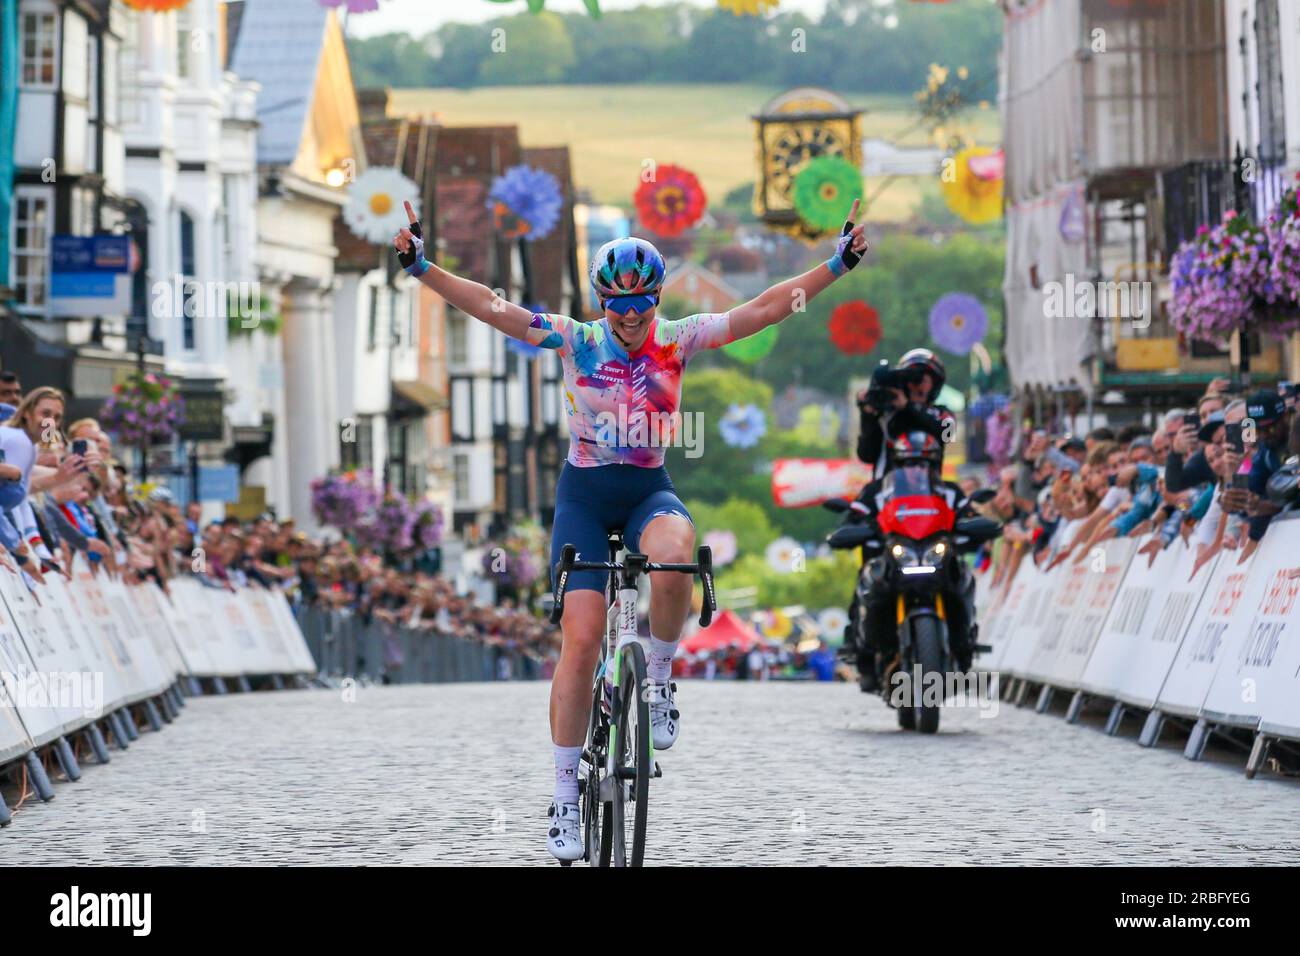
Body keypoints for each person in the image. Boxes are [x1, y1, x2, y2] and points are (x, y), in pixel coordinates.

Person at [394, 198, 870, 861]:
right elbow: (494, 308)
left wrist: (835, 265)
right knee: (582, 640)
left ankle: (662, 678)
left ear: (655, 299)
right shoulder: (575, 338)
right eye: (616, 305)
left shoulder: (680, 337)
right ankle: (564, 799)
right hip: (584, 496)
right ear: (600, 302)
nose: (628, 317)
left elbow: (762, 308)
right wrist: (422, 268)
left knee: (677, 555)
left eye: (640, 305)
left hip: (648, 489)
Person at [838, 430, 979, 693]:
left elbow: (968, 515)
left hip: (936, 558)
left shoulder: (950, 492)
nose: (916, 469)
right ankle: (866, 655)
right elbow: (854, 517)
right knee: (867, 586)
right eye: (909, 463)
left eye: (924, 463)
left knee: (963, 579)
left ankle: (964, 645)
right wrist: (855, 528)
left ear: (934, 464)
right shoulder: (876, 492)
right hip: (890, 559)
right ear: (897, 464)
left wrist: (976, 526)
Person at [855, 348, 954, 477]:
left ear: (935, 383)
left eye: (921, 380)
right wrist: (867, 415)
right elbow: (866, 455)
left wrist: (908, 406)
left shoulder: (942, 413)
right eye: (911, 380)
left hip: (929, 491)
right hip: (886, 491)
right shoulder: (888, 413)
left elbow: (949, 435)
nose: (917, 386)